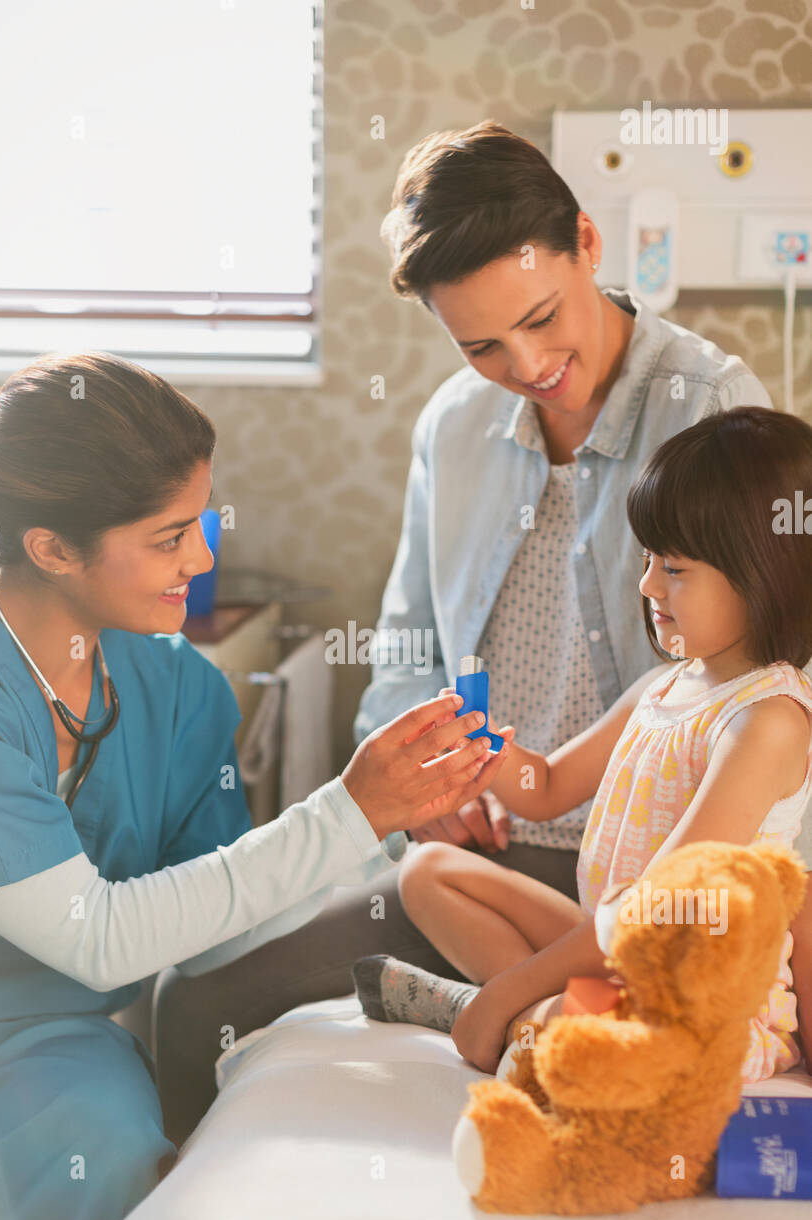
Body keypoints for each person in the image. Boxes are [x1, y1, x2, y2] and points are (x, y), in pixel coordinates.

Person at [204, 120, 812, 1048]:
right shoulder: (454, 431)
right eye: (482, 345)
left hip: (653, 866)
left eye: (540, 319)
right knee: (193, 1006)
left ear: (588, 245)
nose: (527, 368)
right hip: (494, 844)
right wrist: (431, 784)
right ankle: (543, 1014)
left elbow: (766, 668)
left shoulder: (709, 410)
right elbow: (408, 646)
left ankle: (536, 1017)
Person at [0, 353, 511, 1220]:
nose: (201, 560)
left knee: (111, 1148)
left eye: (199, 524)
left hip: (47, 1030)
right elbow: (97, 938)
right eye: (169, 538)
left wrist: (395, 831)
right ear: (50, 548)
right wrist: (347, 809)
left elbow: (212, 935)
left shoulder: (181, 688)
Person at [352, 407, 812, 1078]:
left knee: (571, 1028)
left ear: (767, 573)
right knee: (426, 871)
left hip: (695, 996)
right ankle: (512, 1014)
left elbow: (656, 909)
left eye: (675, 570)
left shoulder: (766, 723)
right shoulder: (662, 688)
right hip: (611, 950)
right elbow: (548, 790)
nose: (648, 585)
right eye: (649, 560)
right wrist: (484, 750)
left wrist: (514, 985)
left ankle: (496, 1010)